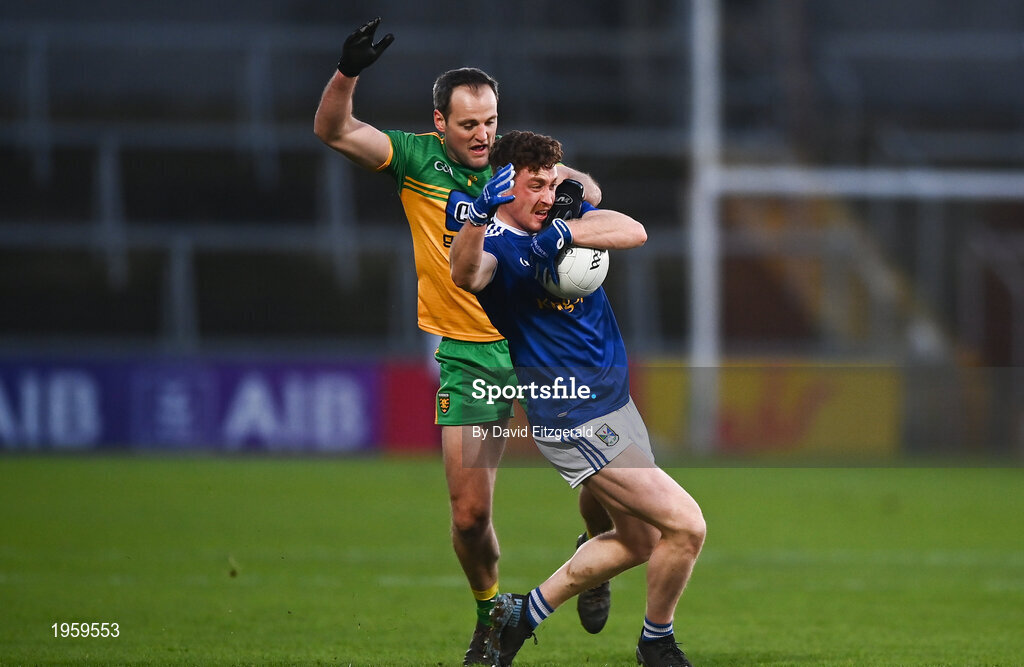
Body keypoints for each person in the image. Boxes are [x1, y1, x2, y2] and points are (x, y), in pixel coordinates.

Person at [312, 18, 614, 664]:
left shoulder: (517, 166)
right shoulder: (415, 159)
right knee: (469, 515)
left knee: (604, 486)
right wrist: (347, 73)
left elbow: (588, 189)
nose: (483, 135)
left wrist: (565, 196)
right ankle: (491, 614)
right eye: (470, 124)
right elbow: (334, 130)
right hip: (471, 352)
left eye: (491, 122)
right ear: (440, 122)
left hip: (543, 344)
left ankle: (600, 559)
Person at [449, 130, 707, 667]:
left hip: (614, 400)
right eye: (534, 186)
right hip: (574, 415)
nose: (546, 195)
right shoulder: (496, 243)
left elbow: (632, 229)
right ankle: (657, 643)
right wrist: (477, 214)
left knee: (635, 542)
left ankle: (521, 616)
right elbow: (466, 273)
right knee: (685, 526)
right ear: (505, 186)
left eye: (551, 183)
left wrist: (567, 217)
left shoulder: (558, 217)